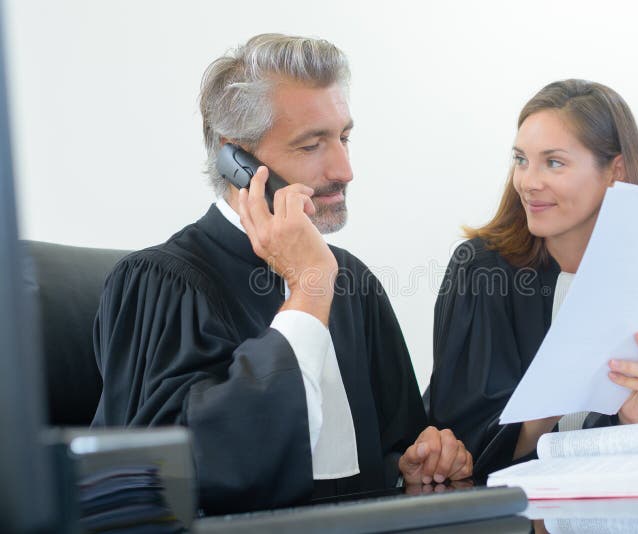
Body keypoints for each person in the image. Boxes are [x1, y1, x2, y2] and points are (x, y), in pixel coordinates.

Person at [92, 33, 472, 515]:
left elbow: (390, 447)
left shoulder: (351, 281)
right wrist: (307, 292)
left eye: (344, 137)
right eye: (312, 145)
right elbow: (185, 475)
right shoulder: (160, 283)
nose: (345, 169)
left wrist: (408, 470)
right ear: (238, 161)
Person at [428, 79, 638, 476]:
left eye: (554, 162)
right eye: (521, 159)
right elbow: (462, 447)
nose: (528, 182)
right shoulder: (480, 271)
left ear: (615, 171)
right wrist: (545, 406)